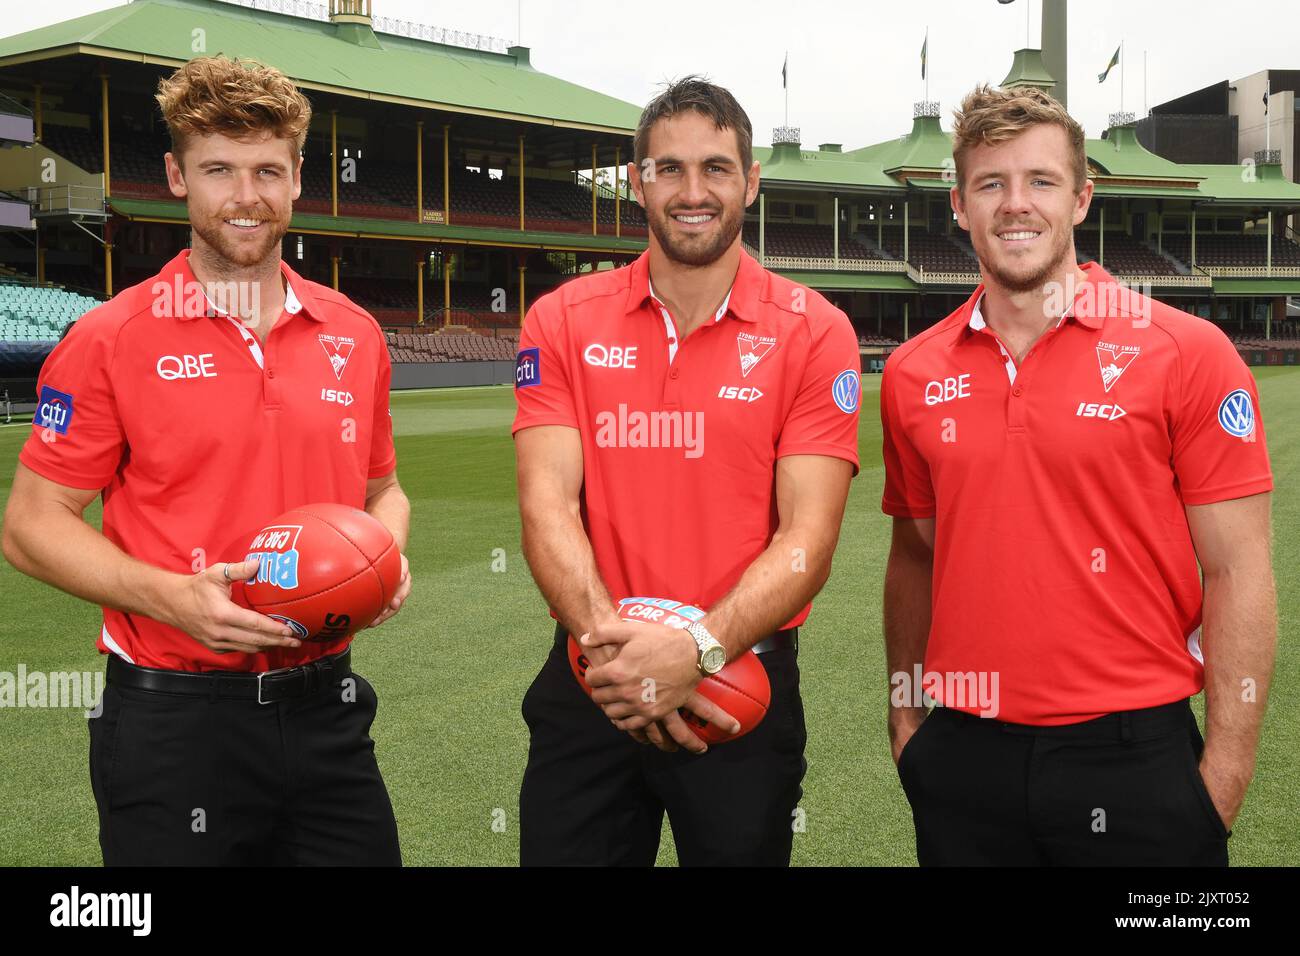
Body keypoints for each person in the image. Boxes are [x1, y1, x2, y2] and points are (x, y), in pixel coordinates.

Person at [1, 55, 411, 866]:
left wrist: (385, 555)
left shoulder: (353, 332)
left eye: (267, 170)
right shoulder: (111, 337)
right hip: (173, 720)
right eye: (218, 169)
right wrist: (172, 597)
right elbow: (29, 526)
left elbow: (385, 489)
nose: (245, 196)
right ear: (176, 177)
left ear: (298, 178)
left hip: (329, 707)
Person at [881, 84, 1276, 866]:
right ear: (959, 205)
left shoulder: (1186, 353)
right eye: (990, 184)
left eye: (1040, 181)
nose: (1015, 205)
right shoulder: (912, 372)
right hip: (965, 753)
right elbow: (915, 556)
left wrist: (1222, 777)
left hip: (1135, 754)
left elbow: (1239, 570)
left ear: (1082, 198)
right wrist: (907, 721)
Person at [512, 76, 861, 866]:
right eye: (668, 168)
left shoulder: (814, 331)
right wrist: (617, 658)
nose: (692, 191)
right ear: (638, 183)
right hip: (591, 679)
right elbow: (546, 508)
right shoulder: (561, 318)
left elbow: (809, 537)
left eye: (716, 168)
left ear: (752, 181)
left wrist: (695, 649)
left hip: (740, 684)